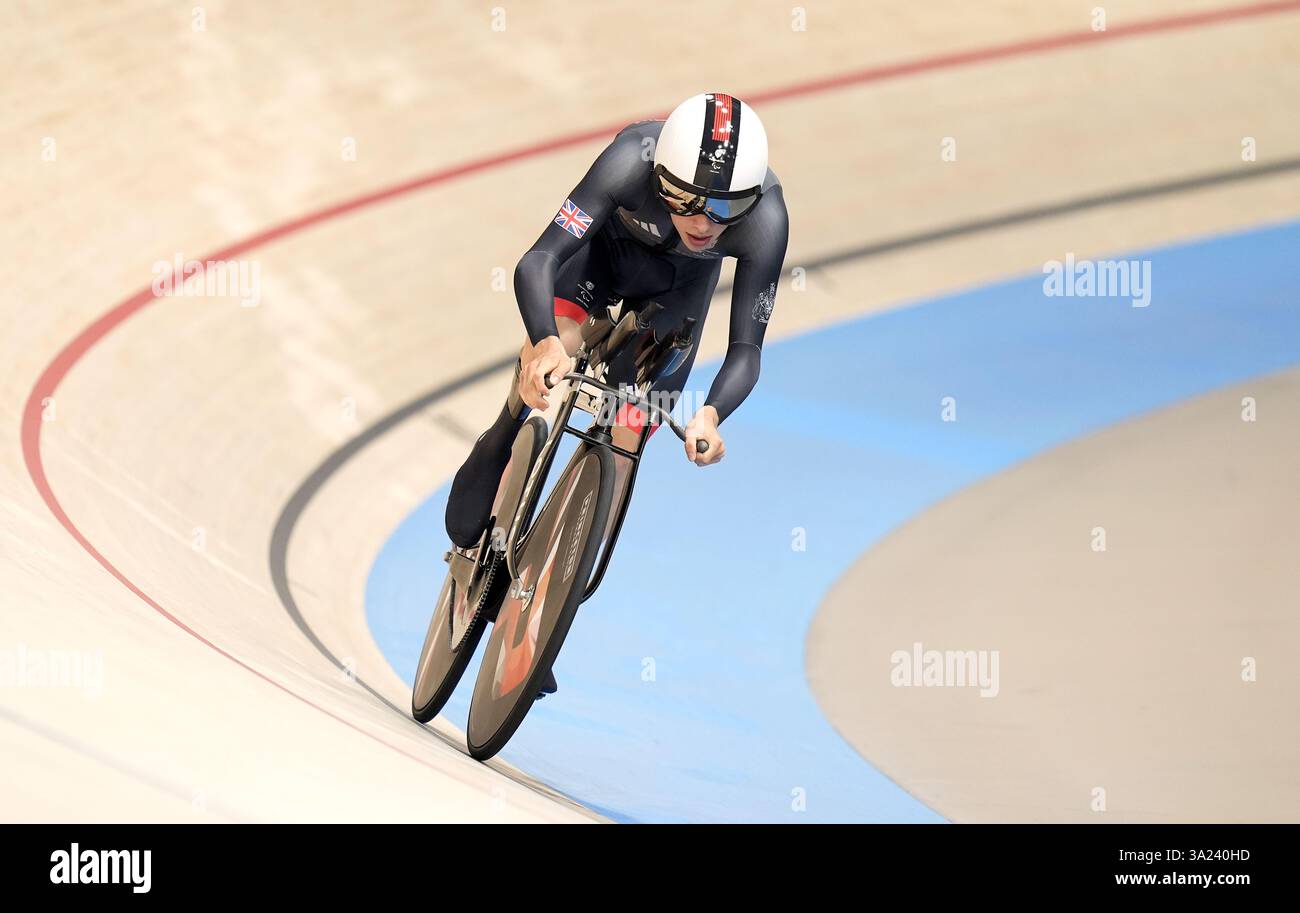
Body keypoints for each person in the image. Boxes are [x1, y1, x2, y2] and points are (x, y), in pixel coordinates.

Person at [445, 93, 789, 694]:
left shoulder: (765, 219)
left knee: (633, 427)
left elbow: (746, 351)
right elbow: (539, 260)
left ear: (750, 202)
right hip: (597, 266)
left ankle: (549, 618)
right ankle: (507, 427)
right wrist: (546, 342)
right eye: (688, 200)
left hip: (675, 300)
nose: (705, 221)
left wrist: (710, 414)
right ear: (661, 179)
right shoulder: (630, 157)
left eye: (724, 208)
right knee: (553, 354)